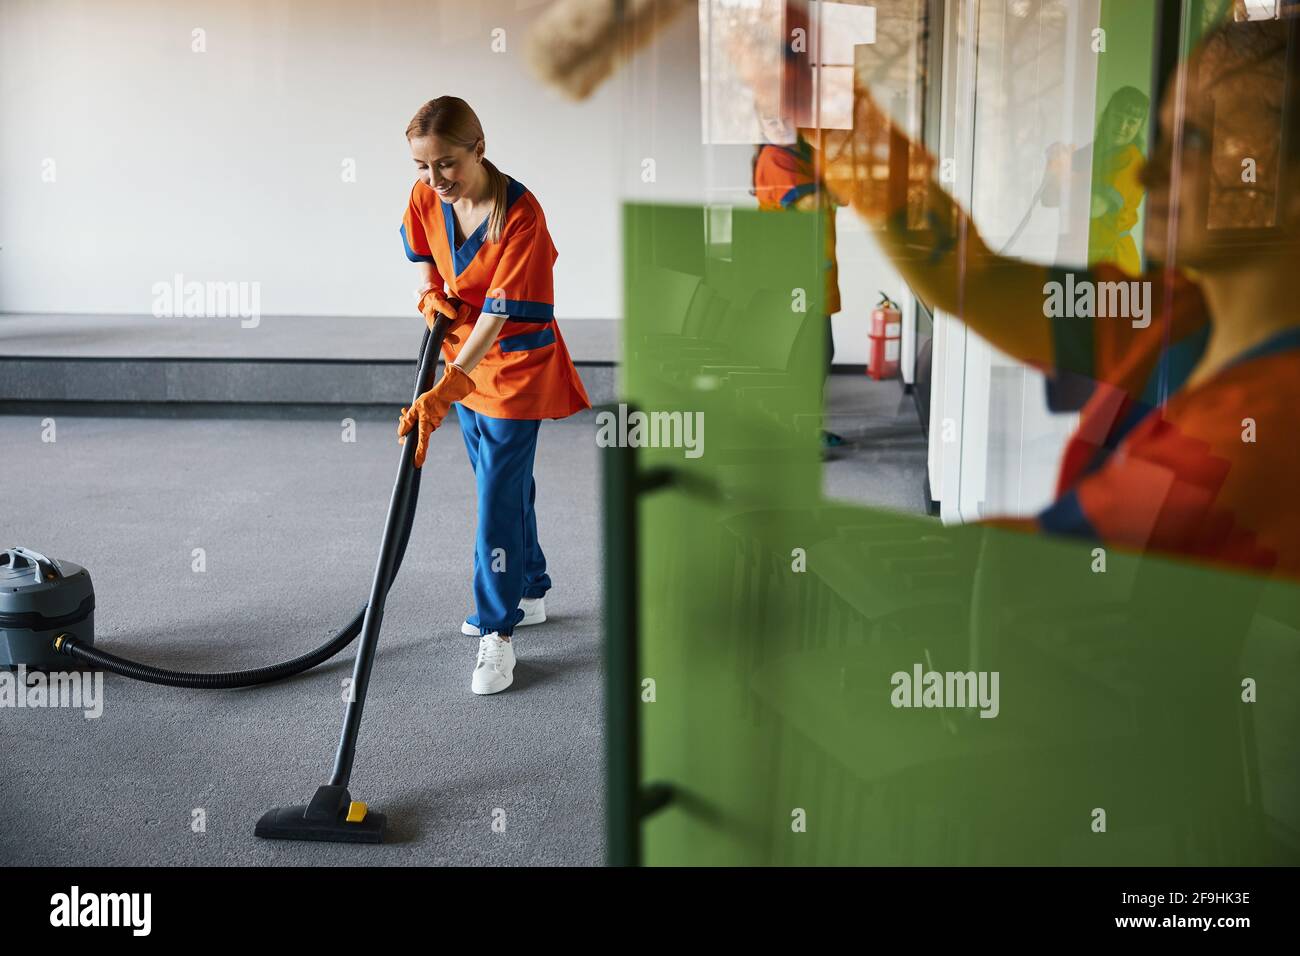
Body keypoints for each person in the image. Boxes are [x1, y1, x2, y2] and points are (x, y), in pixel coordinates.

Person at [817, 13, 1300, 580]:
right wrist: (830, 106)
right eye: (1163, 137)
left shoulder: (1264, 424)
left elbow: (1028, 573)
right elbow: (972, 278)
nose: (1147, 172)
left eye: (1194, 140)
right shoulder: (1174, 316)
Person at [398, 96, 591, 694]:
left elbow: (500, 317)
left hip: (511, 368)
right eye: (422, 167)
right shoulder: (428, 196)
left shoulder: (521, 217)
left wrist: (452, 380)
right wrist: (431, 295)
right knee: (499, 482)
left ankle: (497, 630)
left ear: (479, 148)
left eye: (447, 164)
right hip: (462, 355)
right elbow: (424, 256)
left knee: (494, 498)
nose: (435, 181)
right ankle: (529, 585)